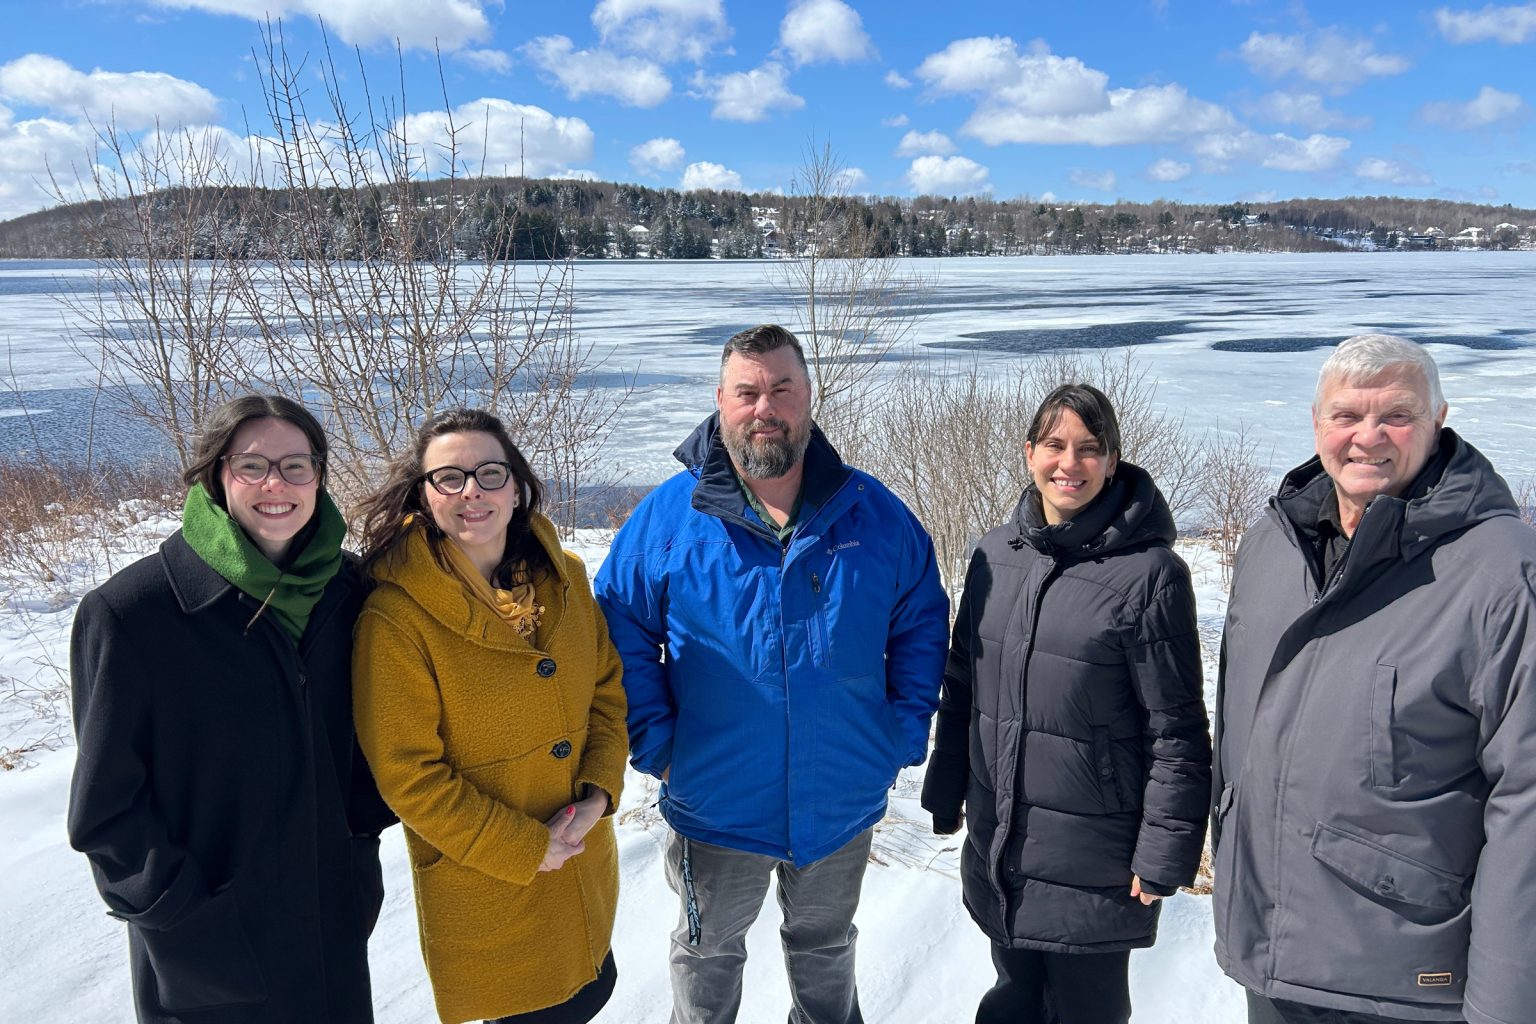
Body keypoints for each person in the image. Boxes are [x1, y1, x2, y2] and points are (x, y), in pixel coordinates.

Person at [594, 323, 949, 1024]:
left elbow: (920, 622)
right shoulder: (671, 515)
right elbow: (618, 630)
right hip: (715, 797)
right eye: (747, 391)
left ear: (808, 396)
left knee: (824, 948)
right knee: (707, 952)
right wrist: (658, 741)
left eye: (782, 388)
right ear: (720, 401)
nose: (766, 407)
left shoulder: (873, 513)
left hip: (840, 798)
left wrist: (899, 735)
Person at [1212, 334, 1536, 1024]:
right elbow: (1239, 726)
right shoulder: (1274, 543)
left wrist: (1507, 1004)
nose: (1368, 437)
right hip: (1270, 956)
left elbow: (1529, 800)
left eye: (1396, 415)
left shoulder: (1500, 571)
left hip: (1401, 981)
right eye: (1347, 415)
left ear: (1438, 418)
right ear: (1315, 421)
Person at [67, 394, 395, 1024]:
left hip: (330, 936)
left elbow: (369, 745)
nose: (277, 484)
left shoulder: (350, 594)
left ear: (320, 477)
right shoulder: (135, 613)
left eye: (296, 465)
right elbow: (107, 814)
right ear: (217, 475)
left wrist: (356, 852)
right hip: (207, 954)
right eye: (252, 465)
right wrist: (183, 916)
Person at [921, 383, 1210, 1024]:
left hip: (1096, 856)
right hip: (1002, 843)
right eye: (1054, 445)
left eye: (1088, 448)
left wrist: (1164, 852)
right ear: (1029, 453)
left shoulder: (1150, 575)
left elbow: (1178, 730)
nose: (1068, 463)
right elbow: (964, 681)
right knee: (1013, 1001)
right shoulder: (996, 555)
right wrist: (947, 789)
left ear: (1111, 460)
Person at [351, 407, 627, 1024]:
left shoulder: (566, 580)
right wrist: (528, 847)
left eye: (489, 472)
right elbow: (408, 776)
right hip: (494, 892)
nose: (471, 490)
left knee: (589, 996)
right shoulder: (396, 619)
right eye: (448, 477)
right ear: (422, 497)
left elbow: (606, 692)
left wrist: (600, 794)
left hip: (583, 874)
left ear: (519, 486)